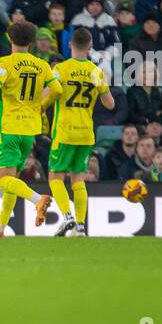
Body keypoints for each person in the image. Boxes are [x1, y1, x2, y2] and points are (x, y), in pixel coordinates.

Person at [0, 20, 60, 239]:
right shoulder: (41, 64)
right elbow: (57, 89)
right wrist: (42, 105)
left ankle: (37, 199)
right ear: (31, 41)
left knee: (4, 180)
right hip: (30, 131)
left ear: (9, 39)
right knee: (12, 181)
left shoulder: (6, 61)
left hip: (9, 127)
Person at [46, 28, 115, 237]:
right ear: (90, 46)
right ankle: (81, 227)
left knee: (55, 178)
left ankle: (67, 217)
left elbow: (49, 93)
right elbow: (110, 104)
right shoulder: (97, 72)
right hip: (86, 132)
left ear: (69, 44)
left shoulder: (60, 69)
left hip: (64, 130)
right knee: (78, 179)